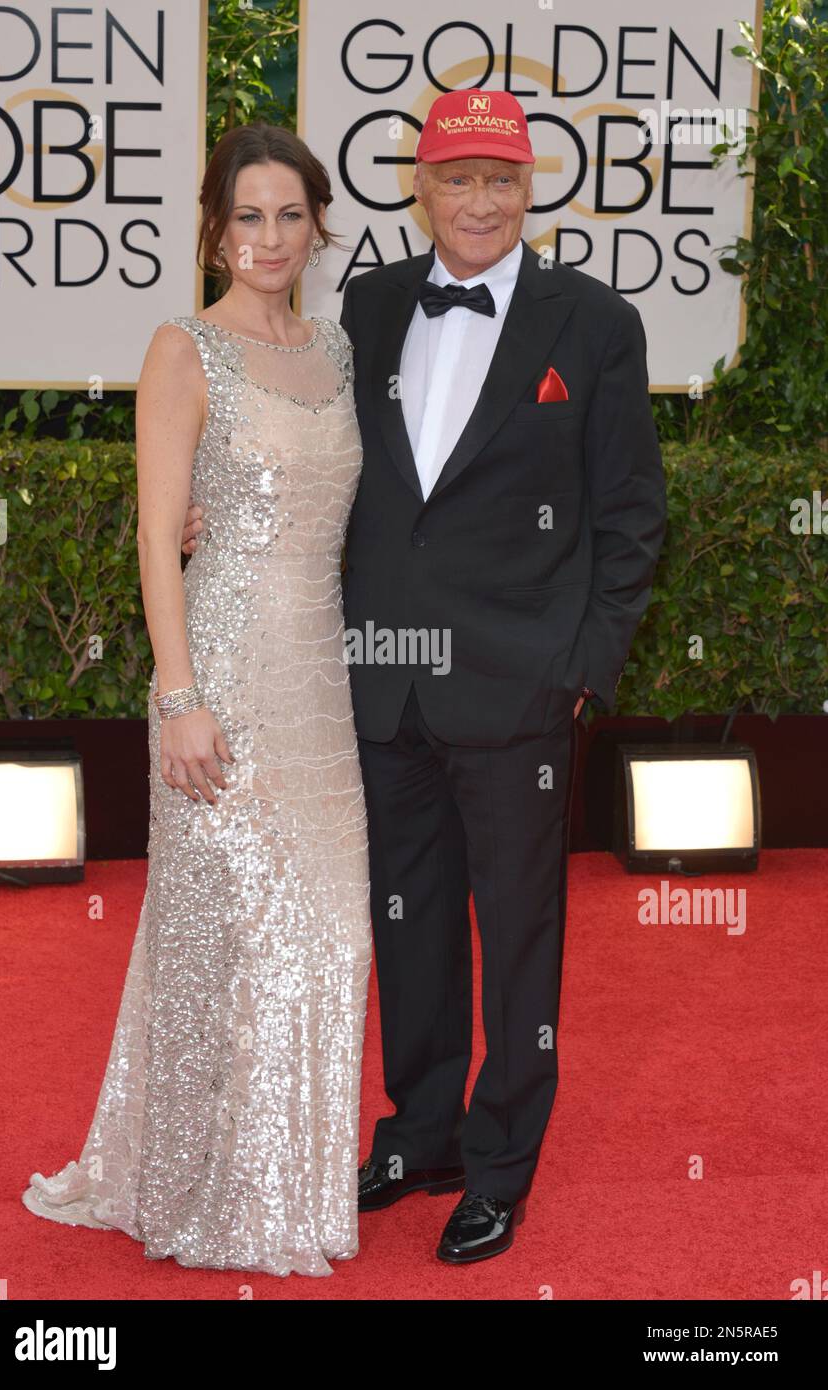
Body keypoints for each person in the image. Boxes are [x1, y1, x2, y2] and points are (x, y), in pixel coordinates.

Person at [182, 88, 668, 1264]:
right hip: (380, 680)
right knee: (404, 928)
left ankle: (501, 1164)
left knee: (515, 938)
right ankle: (422, 1129)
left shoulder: (593, 325)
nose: (479, 201)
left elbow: (631, 519)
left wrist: (577, 671)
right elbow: (295, 435)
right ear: (421, 188)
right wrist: (219, 507)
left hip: (516, 691)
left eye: (500, 179)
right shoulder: (366, 304)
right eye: (456, 179)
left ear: (531, 187)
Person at [21, 124, 372, 1277]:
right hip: (219, 673)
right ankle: (199, 1189)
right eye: (245, 217)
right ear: (215, 228)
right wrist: (178, 698)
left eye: (287, 215)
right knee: (223, 940)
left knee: (323, 933)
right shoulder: (184, 348)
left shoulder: (335, 351)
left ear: (316, 222)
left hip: (320, 686)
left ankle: (291, 1190)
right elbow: (153, 536)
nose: (267, 239)